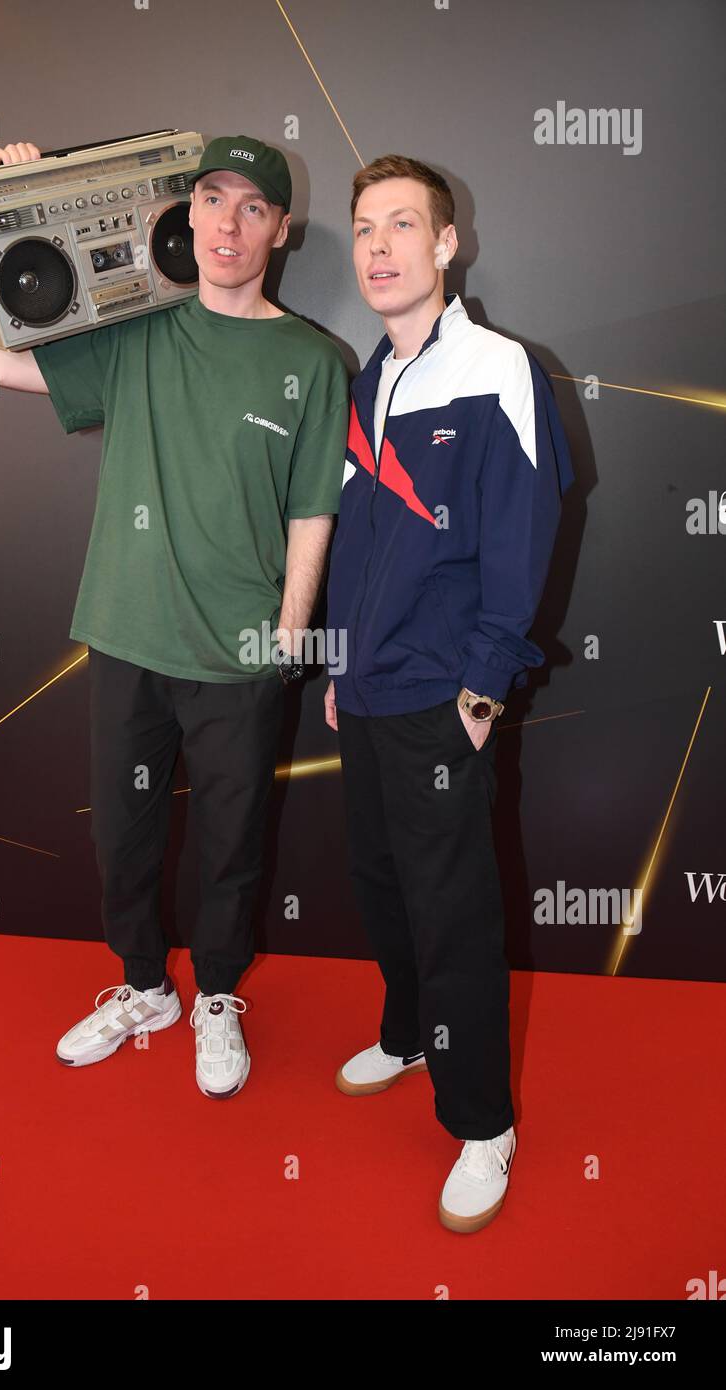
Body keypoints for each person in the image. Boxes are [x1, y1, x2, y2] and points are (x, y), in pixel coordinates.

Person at [0, 136, 349, 1098]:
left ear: (280, 229)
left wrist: (291, 634)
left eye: (251, 207)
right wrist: (7, 205)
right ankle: (144, 987)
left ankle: (217, 997)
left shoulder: (313, 359)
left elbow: (314, 507)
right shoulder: (137, 331)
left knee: (232, 844)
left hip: (241, 655)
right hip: (128, 634)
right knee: (125, 839)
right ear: (185, 215)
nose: (226, 223)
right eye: (211, 201)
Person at [324, 154, 574, 1230]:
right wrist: (340, 665)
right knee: (380, 885)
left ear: (444, 244)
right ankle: (403, 1031)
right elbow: (358, 545)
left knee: (453, 911)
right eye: (363, 228)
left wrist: (479, 693)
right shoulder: (368, 379)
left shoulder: (498, 368)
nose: (378, 247)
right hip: (367, 692)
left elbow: (523, 540)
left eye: (400, 226)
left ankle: (481, 1122)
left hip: (442, 699)